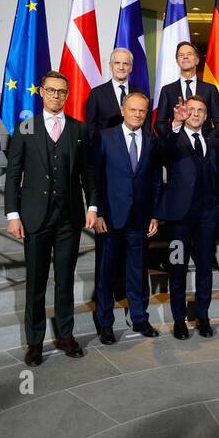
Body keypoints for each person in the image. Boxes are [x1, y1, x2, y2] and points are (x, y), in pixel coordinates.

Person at [5, 70, 98, 366]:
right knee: (35, 282)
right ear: (41, 92)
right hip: (34, 217)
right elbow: (13, 176)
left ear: (67, 95)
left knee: (65, 280)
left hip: (69, 218)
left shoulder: (78, 129)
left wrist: (92, 207)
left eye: (62, 91)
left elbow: (88, 174)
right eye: (51, 90)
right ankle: (35, 342)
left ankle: (65, 335)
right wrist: (13, 214)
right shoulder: (25, 128)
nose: (57, 95)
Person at [89, 90, 161, 343]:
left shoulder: (152, 141)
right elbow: (95, 177)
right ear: (122, 110)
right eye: (133, 109)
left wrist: (154, 214)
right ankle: (105, 323)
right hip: (109, 218)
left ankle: (140, 318)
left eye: (142, 110)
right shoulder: (104, 138)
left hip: (140, 218)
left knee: (138, 271)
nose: (138, 114)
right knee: (106, 271)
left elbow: (154, 181)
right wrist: (95, 211)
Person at [157, 95, 219, 339]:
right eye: (191, 110)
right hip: (179, 219)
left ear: (206, 116)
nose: (195, 114)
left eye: (200, 110)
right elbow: (163, 151)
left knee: (205, 267)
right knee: (177, 267)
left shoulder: (212, 141)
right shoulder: (173, 139)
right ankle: (179, 320)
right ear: (184, 112)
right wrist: (175, 123)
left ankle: (203, 317)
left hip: (207, 216)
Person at [153, 40, 219, 138]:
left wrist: (207, 141)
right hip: (175, 149)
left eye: (189, 54)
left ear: (197, 60)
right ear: (177, 61)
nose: (185, 57)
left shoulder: (210, 90)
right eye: (181, 55)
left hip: (204, 149)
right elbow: (159, 124)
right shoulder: (167, 90)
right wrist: (171, 140)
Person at [84, 48, 144, 133]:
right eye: (117, 63)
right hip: (105, 145)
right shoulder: (96, 94)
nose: (121, 67)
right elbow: (90, 127)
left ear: (131, 67)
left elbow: (145, 126)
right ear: (110, 66)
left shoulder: (140, 93)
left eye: (125, 64)